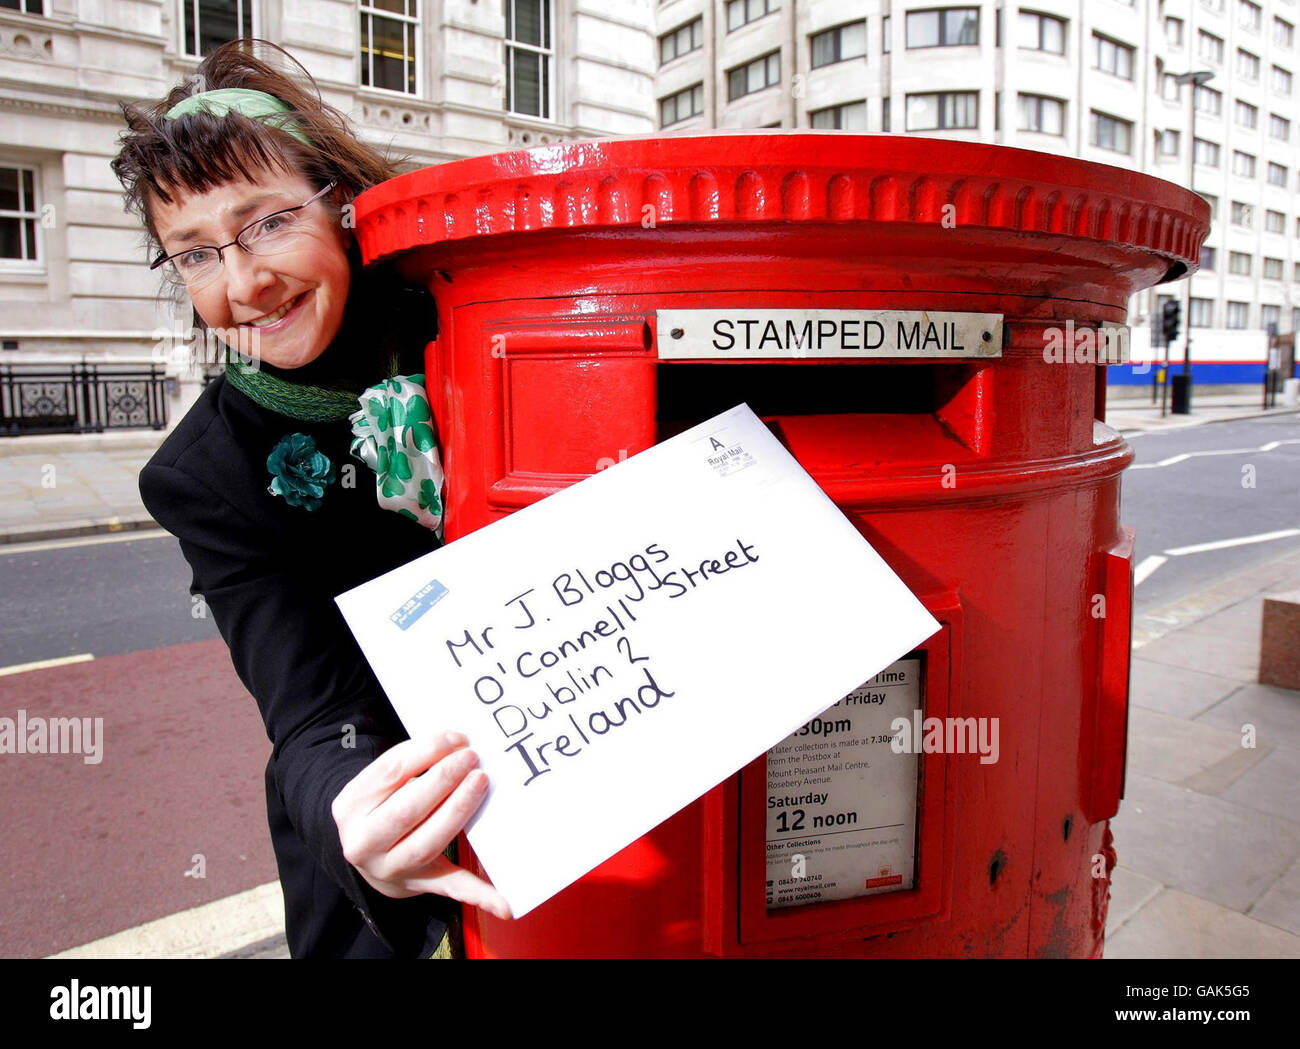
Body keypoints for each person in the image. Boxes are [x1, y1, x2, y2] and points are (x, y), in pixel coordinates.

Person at [112, 39, 511, 958]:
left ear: (339, 201)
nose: (243, 285)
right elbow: (305, 706)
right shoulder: (204, 475)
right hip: (391, 840)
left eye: (264, 224)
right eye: (195, 255)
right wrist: (353, 811)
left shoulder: (471, 315)